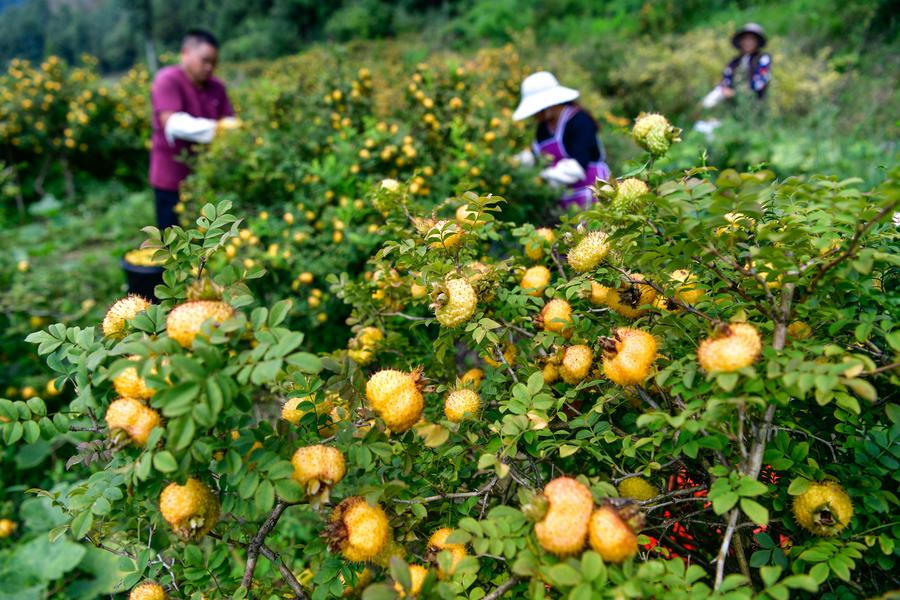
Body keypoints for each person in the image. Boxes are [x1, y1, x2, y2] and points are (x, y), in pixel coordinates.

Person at [150, 29, 237, 229]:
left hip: (207, 178)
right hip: (171, 181)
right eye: (205, 60)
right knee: (173, 240)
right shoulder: (168, 80)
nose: (209, 67)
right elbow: (172, 123)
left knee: (209, 236)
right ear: (185, 53)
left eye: (213, 62)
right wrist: (219, 129)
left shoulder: (217, 87)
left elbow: (229, 120)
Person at [512, 71, 610, 211]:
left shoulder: (579, 121)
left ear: (548, 105)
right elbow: (537, 156)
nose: (534, 116)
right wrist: (515, 164)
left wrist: (543, 178)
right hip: (566, 198)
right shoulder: (542, 129)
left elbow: (579, 164)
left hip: (595, 191)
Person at [702, 23, 771, 108]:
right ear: (740, 41)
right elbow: (726, 79)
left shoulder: (763, 59)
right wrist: (724, 88)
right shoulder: (735, 62)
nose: (748, 43)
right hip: (734, 103)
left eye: (751, 39)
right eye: (745, 39)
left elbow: (760, 83)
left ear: (757, 42)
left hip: (754, 103)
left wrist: (736, 92)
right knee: (710, 99)